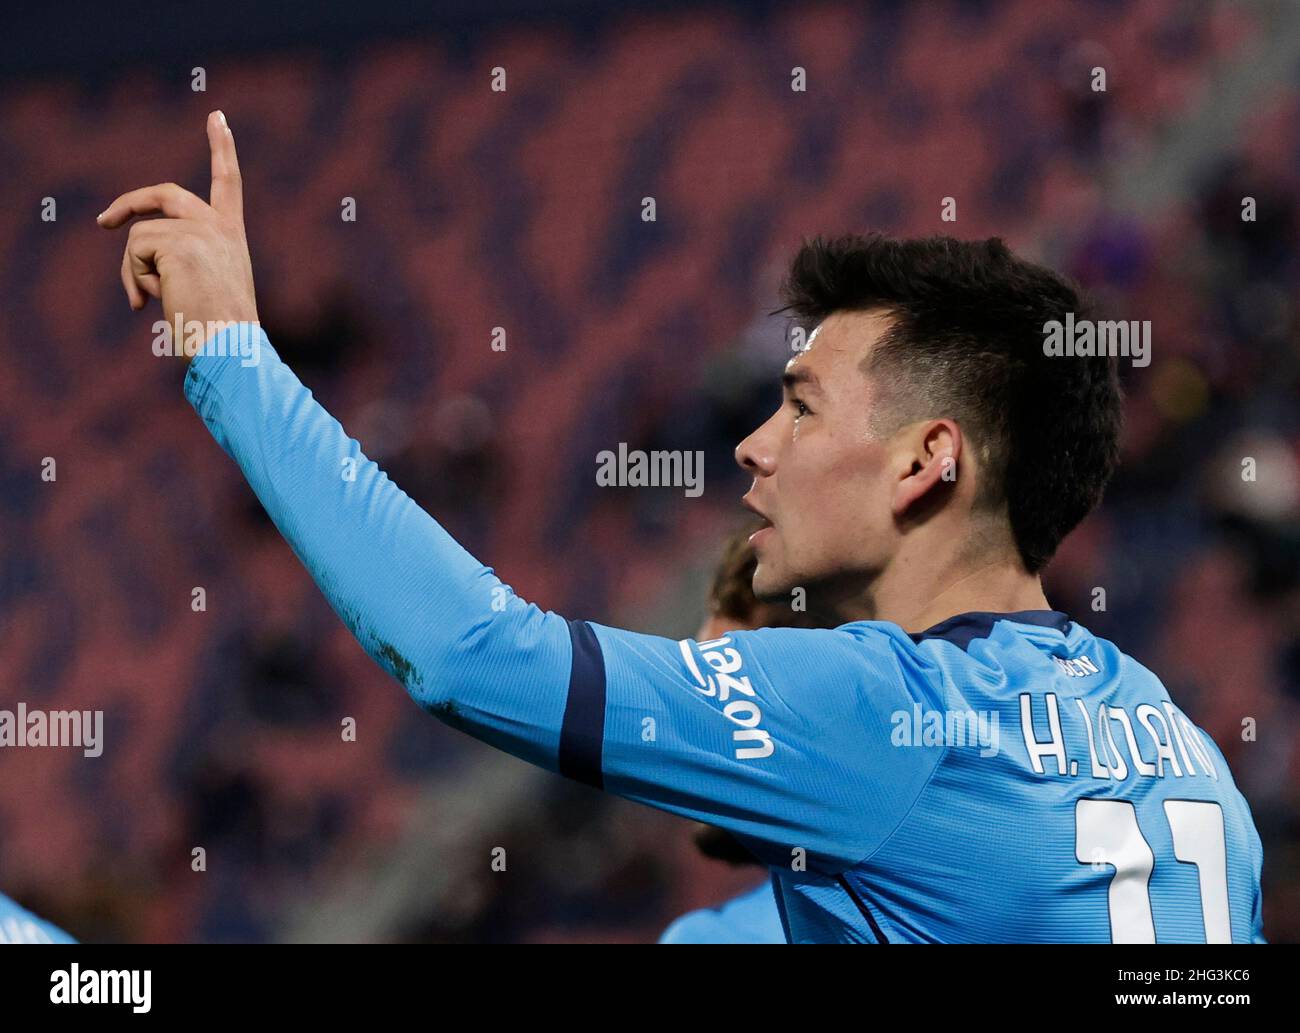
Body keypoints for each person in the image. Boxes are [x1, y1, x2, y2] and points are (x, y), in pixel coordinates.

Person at [95, 112, 1265, 942]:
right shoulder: (1181, 751)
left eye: (801, 404)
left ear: (926, 460)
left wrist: (229, 360)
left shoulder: (887, 710)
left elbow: (470, 654)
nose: (754, 444)